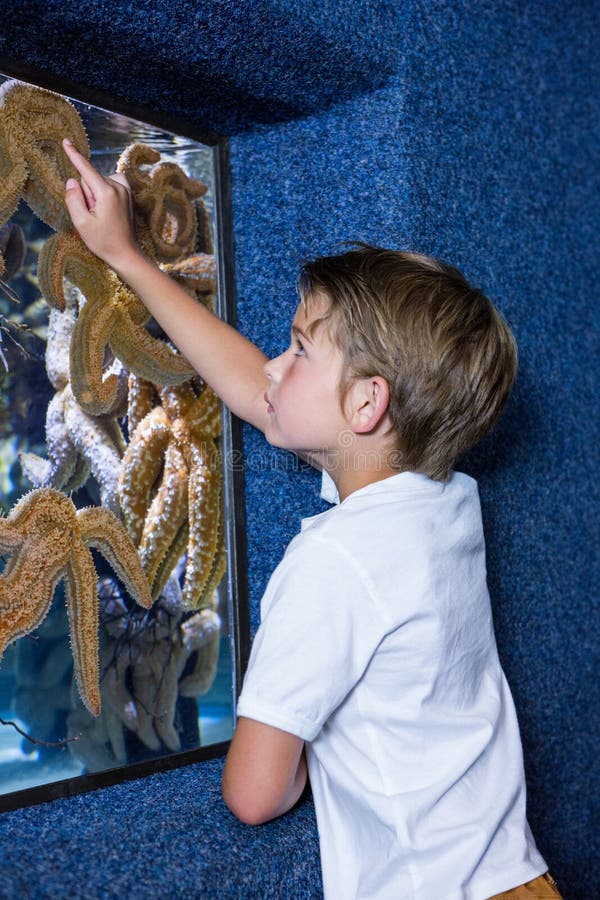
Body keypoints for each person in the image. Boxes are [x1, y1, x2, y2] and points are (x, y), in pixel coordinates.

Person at [62, 138, 562, 900]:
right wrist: (127, 257)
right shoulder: (440, 498)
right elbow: (258, 393)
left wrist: (307, 734)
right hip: (521, 877)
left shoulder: (332, 565)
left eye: (298, 348)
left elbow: (255, 794)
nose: (274, 364)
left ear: (366, 404)